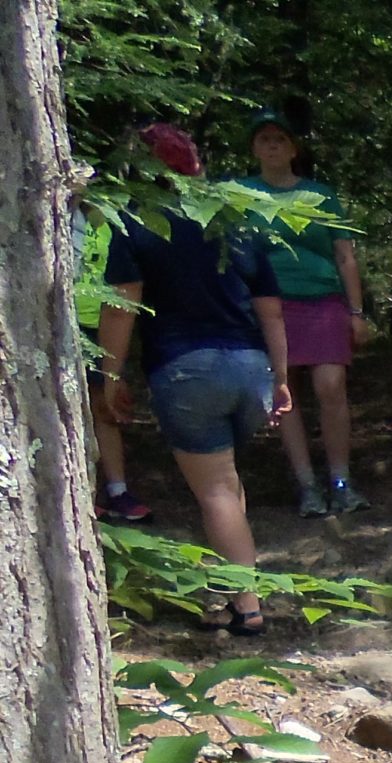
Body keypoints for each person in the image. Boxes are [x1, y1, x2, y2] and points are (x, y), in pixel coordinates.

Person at [97, 122, 292, 638]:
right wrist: (283, 378)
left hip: (187, 372)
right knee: (227, 486)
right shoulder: (236, 220)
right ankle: (222, 596)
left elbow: (121, 309)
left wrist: (109, 377)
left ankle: (248, 606)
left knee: (216, 492)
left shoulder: (138, 224)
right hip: (251, 368)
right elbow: (270, 310)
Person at [234, 104, 369, 516]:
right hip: (270, 305)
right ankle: (307, 485)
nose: (272, 146)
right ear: (254, 149)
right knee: (284, 393)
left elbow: (345, 256)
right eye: (264, 140)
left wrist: (357, 312)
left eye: (279, 139)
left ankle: (341, 481)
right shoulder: (241, 194)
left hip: (322, 301)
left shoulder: (320, 195)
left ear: (293, 148)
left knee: (331, 387)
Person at [78, 208, 153, 523]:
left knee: (104, 406)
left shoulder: (118, 222)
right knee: (69, 408)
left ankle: (118, 490)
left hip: (103, 323)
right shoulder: (53, 216)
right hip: (64, 321)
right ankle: (84, 493)